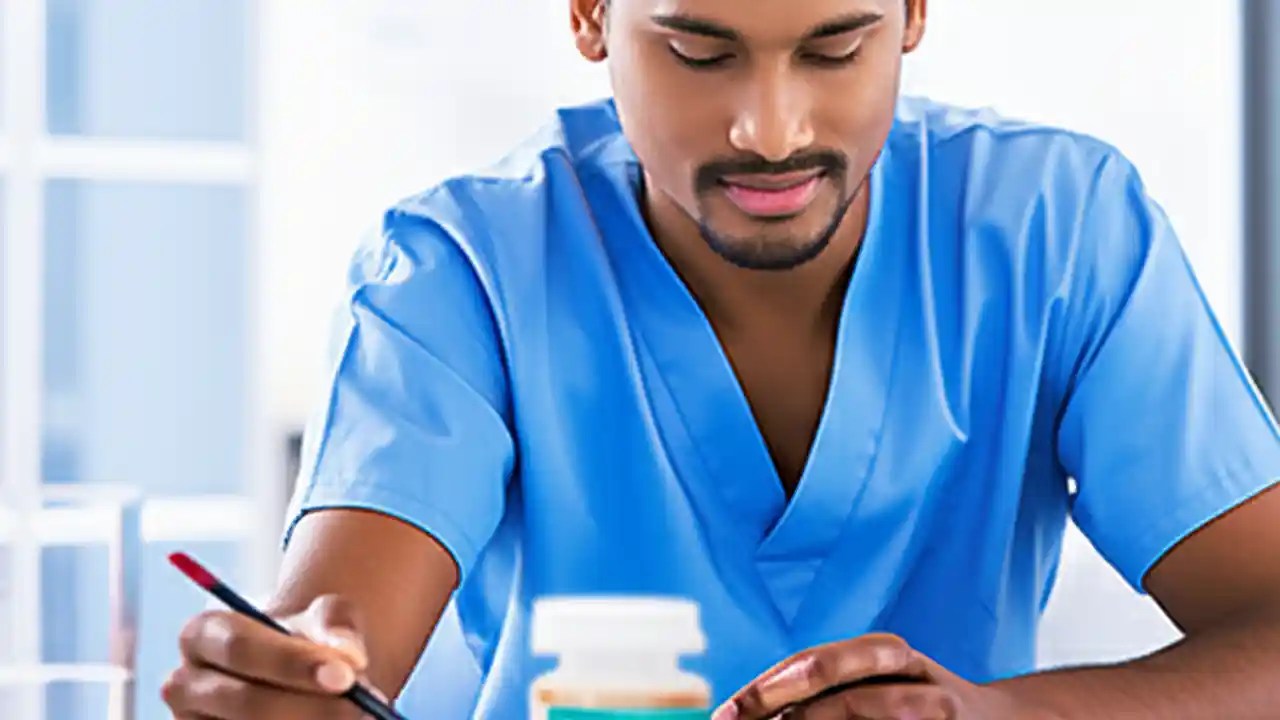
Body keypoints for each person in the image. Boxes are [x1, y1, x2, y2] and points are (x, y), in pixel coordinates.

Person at [162, 0, 1280, 717]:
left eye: (835, 47)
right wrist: (289, 678)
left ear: (912, 14)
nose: (770, 128)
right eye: (699, 51)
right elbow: (335, 647)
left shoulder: (1052, 226)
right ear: (591, 16)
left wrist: (985, 716)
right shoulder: (463, 267)